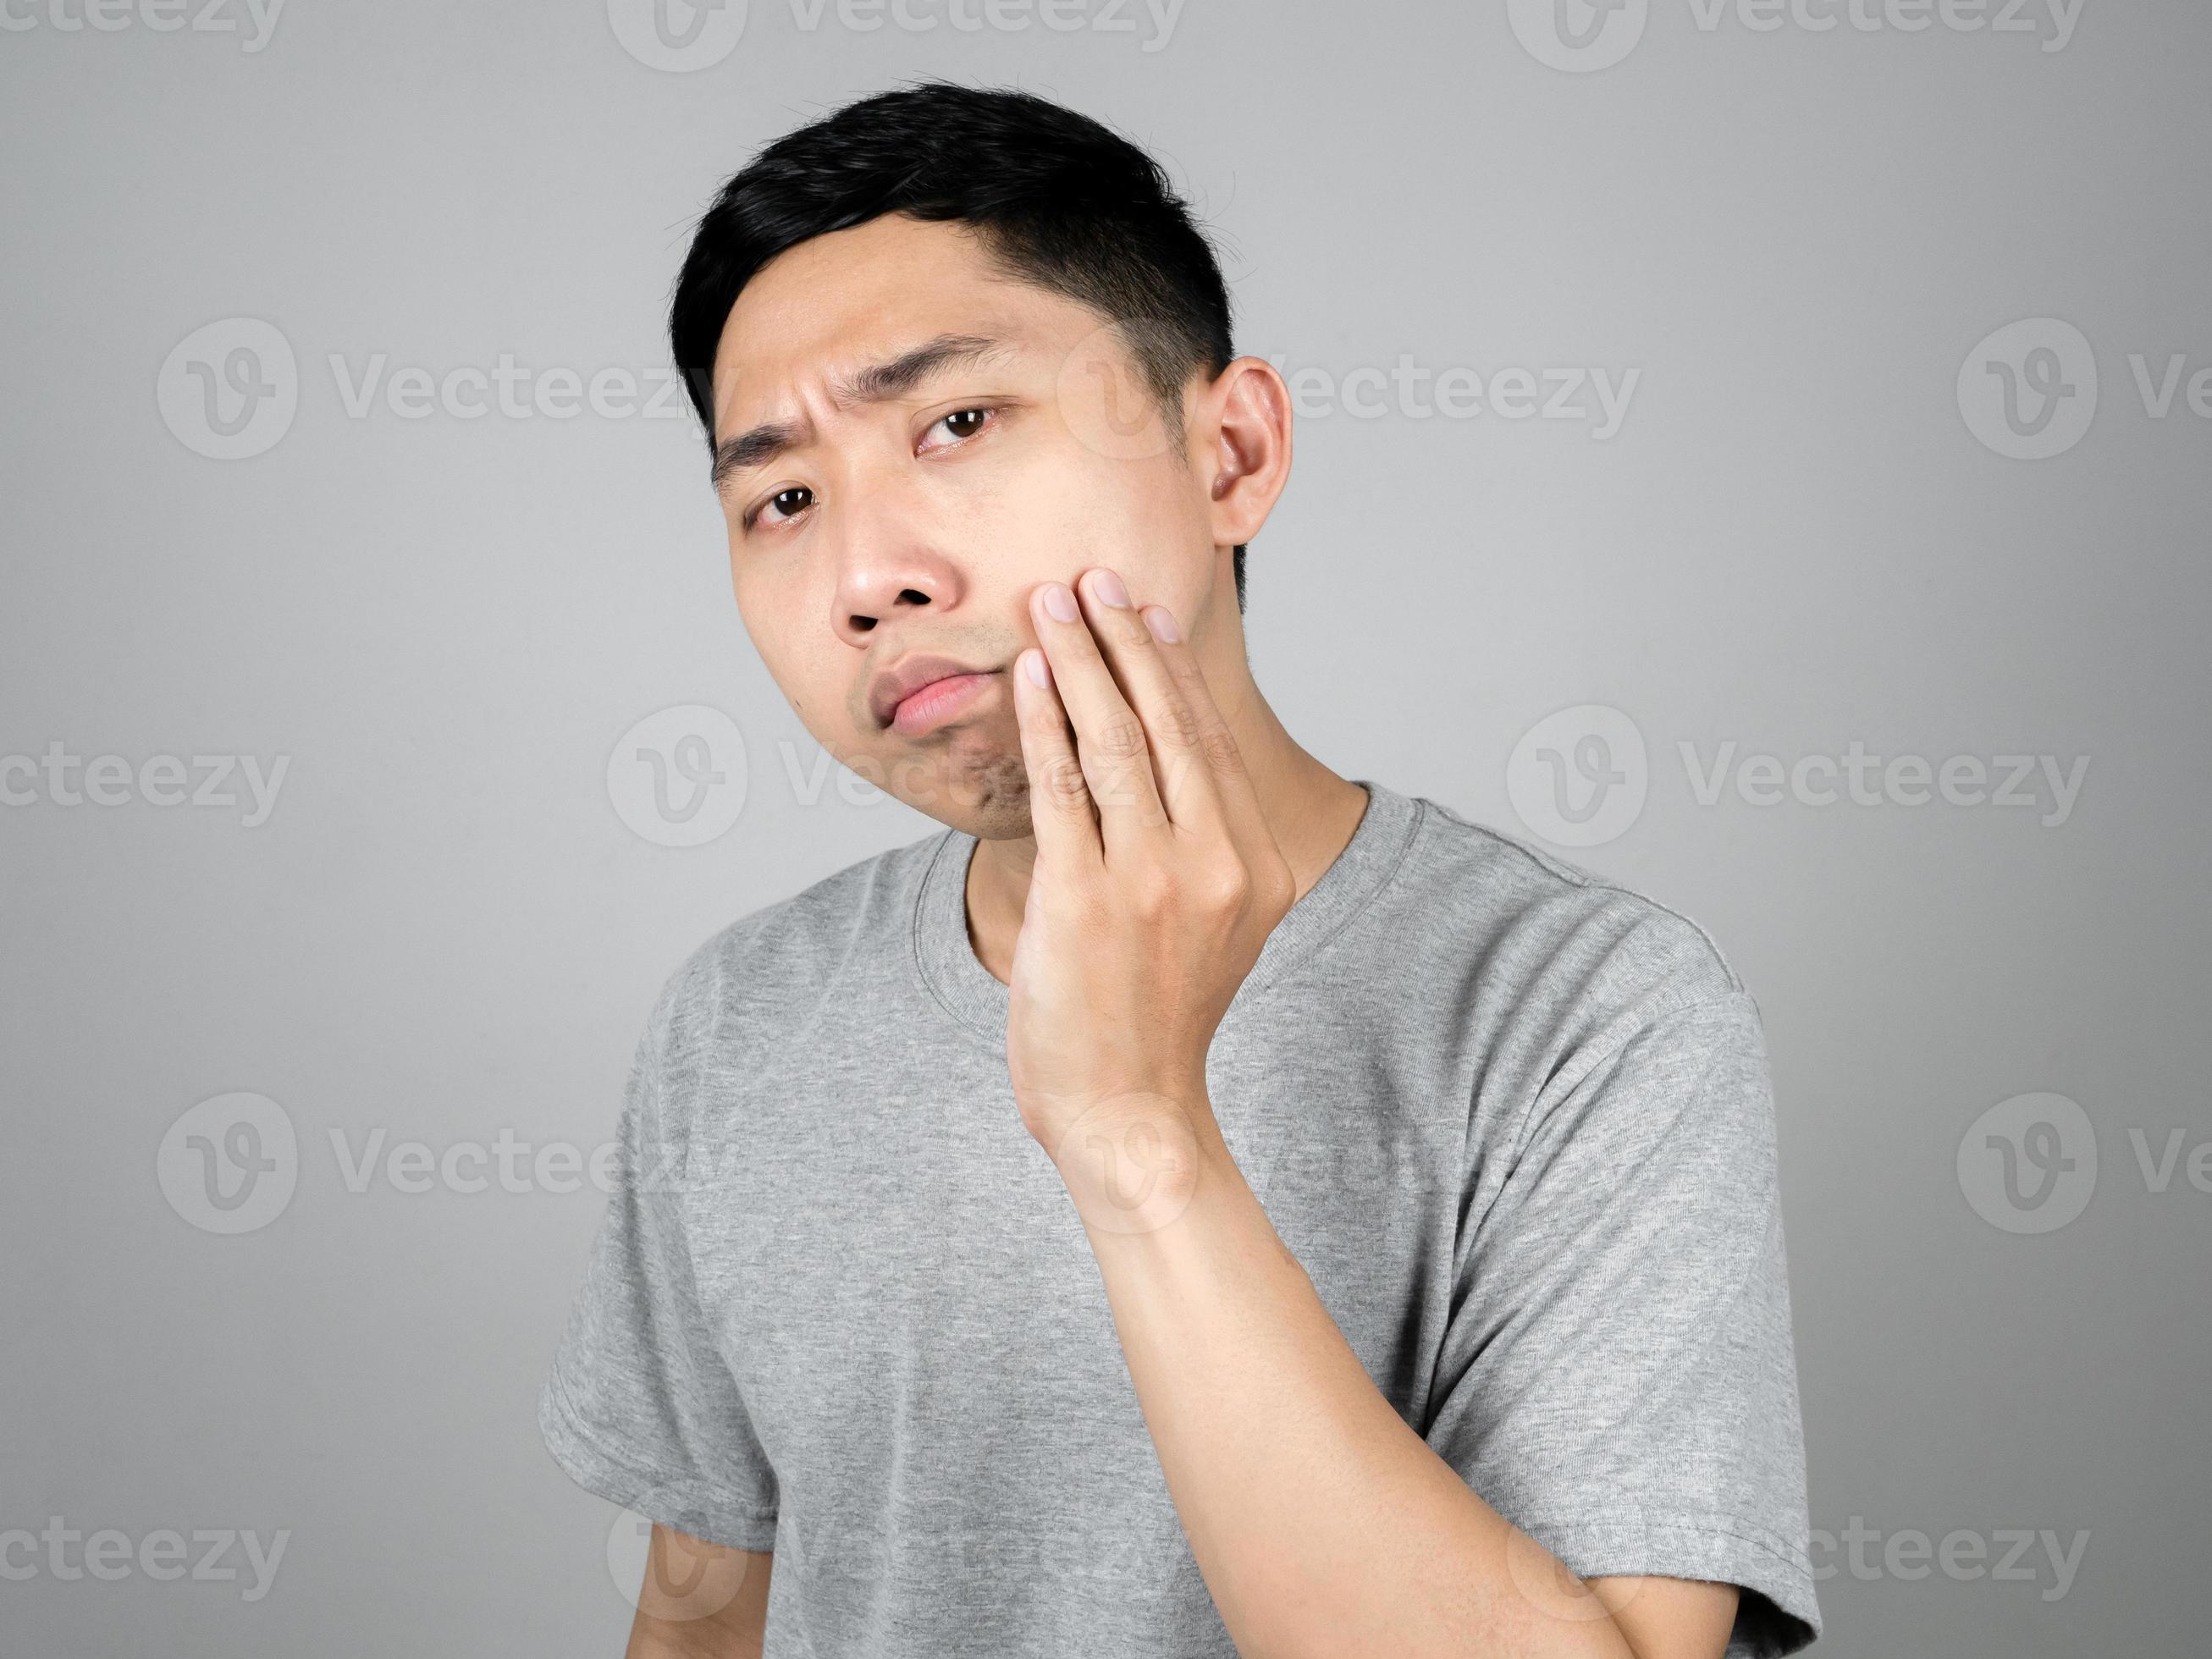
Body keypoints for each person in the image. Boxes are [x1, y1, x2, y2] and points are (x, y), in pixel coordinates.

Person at [540, 80, 1821, 1659]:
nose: (867, 575)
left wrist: (1135, 1129)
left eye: (955, 424)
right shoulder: (738, 1018)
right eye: (782, 499)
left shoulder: (1586, 1014)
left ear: (1230, 454)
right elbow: (700, 1601)